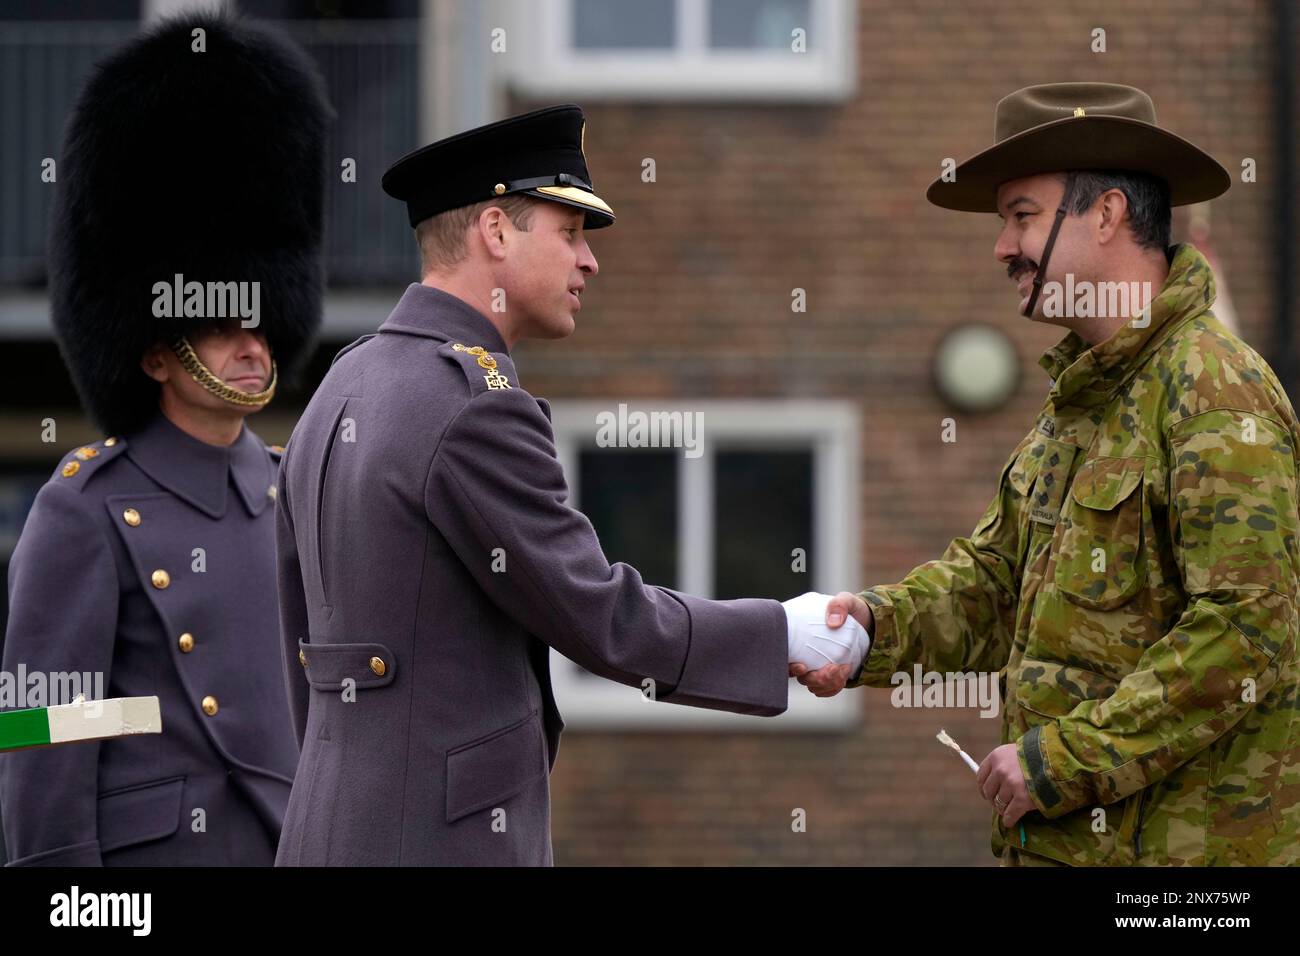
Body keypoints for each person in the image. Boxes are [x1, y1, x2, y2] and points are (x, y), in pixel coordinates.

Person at [273, 104, 867, 865]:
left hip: (326, 827)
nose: (590, 263)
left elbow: (305, 644)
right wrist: (781, 632)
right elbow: (598, 614)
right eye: (570, 233)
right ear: (495, 231)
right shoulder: (471, 404)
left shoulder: (345, 381)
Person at [793, 82, 1300, 866]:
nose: (1002, 247)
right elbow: (995, 588)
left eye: (1022, 216)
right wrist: (867, 630)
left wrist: (1063, 761)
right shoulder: (1081, 402)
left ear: (1105, 216)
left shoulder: (1211, 389)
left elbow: (1248, 633)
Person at [0, 12, 331, 866]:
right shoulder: (85, 509)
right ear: (154, 351)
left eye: (260, 322)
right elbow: (47, 735)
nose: (254, 346)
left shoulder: (297, 489)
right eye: (223, 327)